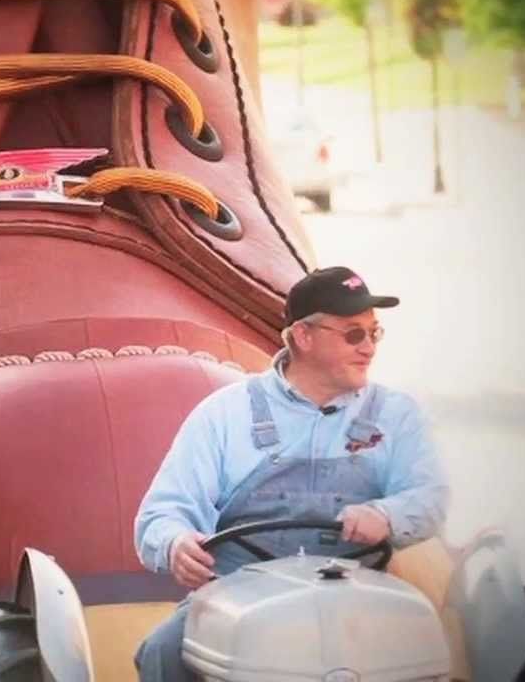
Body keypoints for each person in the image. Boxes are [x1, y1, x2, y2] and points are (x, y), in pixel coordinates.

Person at [133, 266, 451, 682]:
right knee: (161, 652)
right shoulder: (225, 413)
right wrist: (174, 543)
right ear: (304, 336)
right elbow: (162, 513)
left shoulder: (398, 415)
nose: (369, 348)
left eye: (375, 333)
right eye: (354, 334)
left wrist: (387, 515)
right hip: (236, 598)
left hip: (358, 597)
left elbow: (431, 496)